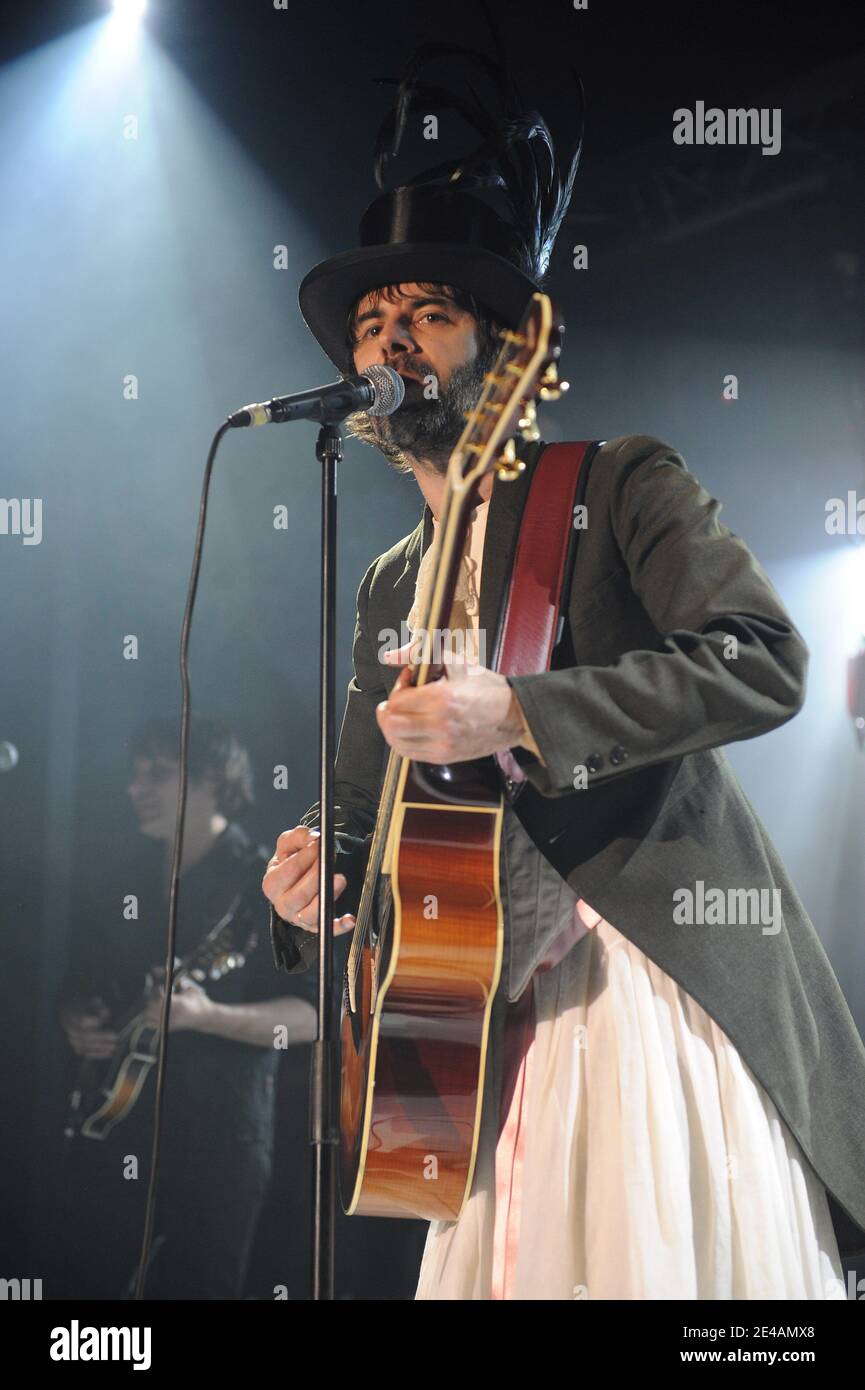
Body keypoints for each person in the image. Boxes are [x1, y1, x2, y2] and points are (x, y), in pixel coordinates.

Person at [263, 43, 865, 1299]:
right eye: (374, 323)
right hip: (473, 1021)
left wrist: (525, 709)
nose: (393, 341)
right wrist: (317, 874)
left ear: (508, 345)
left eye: (427, 312)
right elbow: (367, 807)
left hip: (642, 972)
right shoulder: (388, 579)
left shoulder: (613, 480)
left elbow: (765, 661)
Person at [56, 714, 317, 1299]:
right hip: (116, 1130)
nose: (135, 787)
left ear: (211, 779)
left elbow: (310, 1016)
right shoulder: (123, 879)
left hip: (220, 1142)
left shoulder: (264, 883)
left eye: (157, 773)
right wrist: (77, 1023)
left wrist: (207, 1017)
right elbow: (84, 990)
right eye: (134, 773)